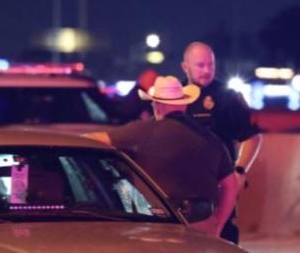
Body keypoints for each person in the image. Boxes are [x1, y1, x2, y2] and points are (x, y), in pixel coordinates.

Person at [87, 76, 240, 238]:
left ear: (157, 105)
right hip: (202, 227)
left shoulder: (140, 132)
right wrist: (218, 224)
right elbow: (231, 185)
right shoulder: (212, 140)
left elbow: (94, 140)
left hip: (156, 227)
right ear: (184, 104)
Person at [181, 42, 262, 243]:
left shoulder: (228, 97)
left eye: (211, 64)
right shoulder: (175, 96)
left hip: (218, 186)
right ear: (185, 67)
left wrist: (239, 171)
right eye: (200, 65)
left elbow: (252, 137)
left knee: (223, 238)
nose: (207, 70)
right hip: (182, 186)